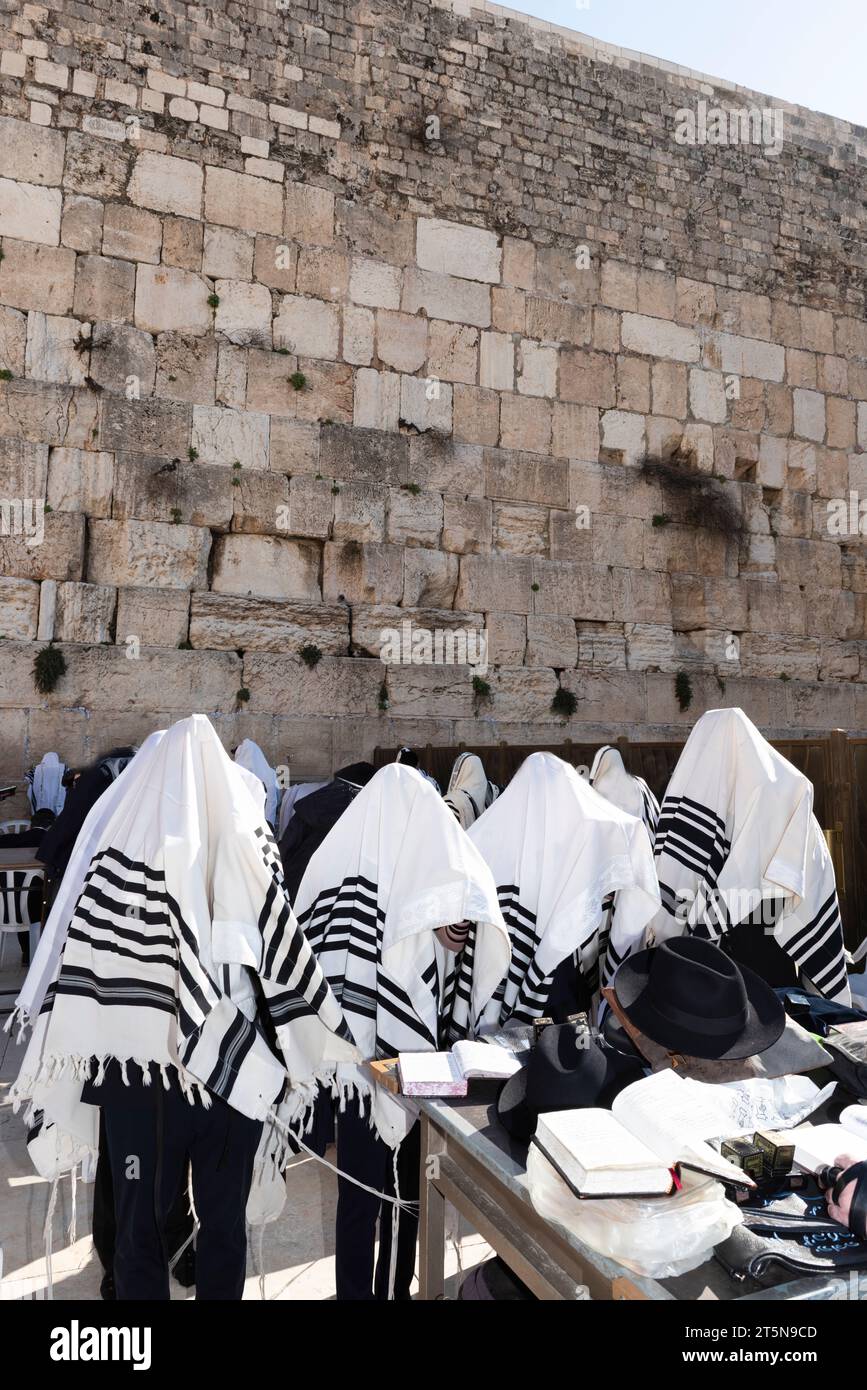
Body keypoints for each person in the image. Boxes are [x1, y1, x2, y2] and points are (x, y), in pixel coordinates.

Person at [11, 716, 358, 1300]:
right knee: (205, 1231)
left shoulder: (128, 844)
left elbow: (88, 965)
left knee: (149, 1233)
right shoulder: (236, 836)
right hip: (194, 1075)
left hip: (157, 1081)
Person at [292, 762, 510, 1299]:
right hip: (402, 1069)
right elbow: (461, 945)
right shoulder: (424, 875)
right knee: (400, 1190)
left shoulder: (333, 868)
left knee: (357, 1195)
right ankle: (393, 1290)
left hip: (349, 1071)